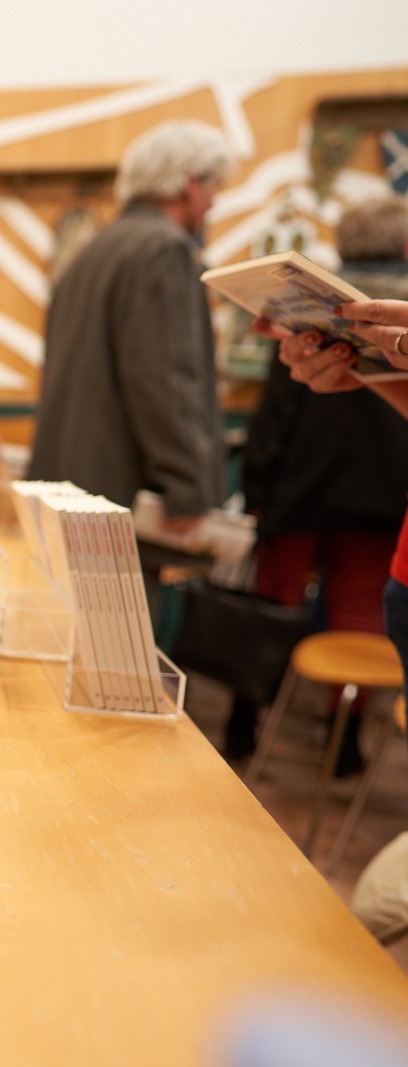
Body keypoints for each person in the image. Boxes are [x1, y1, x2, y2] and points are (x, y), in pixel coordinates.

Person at [230, 196, 408, 760]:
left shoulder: (315, 308)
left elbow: (273, 418)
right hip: (381, 501)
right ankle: (345, 738)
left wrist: (257, 492)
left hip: (300, 491)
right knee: (359, 614)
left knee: (275, 604)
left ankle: (243, 717)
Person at [28, 120, 236, 544]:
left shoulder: (95, 250)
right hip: (123, 499)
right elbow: (166, 379)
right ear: (191, 184)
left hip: (71, 491)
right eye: (215, 187)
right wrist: (187, 490)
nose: (214, 202)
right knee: (133, 612)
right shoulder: (164, 250)